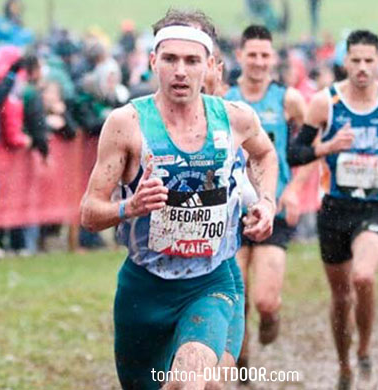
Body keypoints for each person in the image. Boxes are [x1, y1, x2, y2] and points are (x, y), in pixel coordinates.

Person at [79, 9, 278, 389]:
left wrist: (266, 201)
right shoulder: (127, 124)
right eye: (170, 59)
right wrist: (129, 207)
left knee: (193, 382)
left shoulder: (235, 119)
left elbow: (264, 154)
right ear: (154, 61)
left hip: (210, 282)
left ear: (210, 66)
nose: (180, 71)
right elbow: (89, 213)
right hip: (144, 289)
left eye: (191, 61)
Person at [288, 29, 378, 389]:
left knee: (363, 277)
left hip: (374, 207)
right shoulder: (324, 103)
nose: (362, 67)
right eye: (355, 60)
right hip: (334, 210)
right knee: (341, 297)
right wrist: (326, 147)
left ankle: (363, 348)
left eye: (368, 60)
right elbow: (295, 153)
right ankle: (344, 362)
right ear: (346, 62)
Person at [223, 24, 309, 373]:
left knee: (264, 299)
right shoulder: (224, 97)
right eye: (252, 54)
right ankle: (241, 360)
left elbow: (303, 152)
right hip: (232, 207)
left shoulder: (289, 100)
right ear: (240, 56)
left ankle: (271, 316)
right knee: (236, 292)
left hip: (272, 204)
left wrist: (292, 190)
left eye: (264, 55)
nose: (258, 61)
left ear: (273, 59)